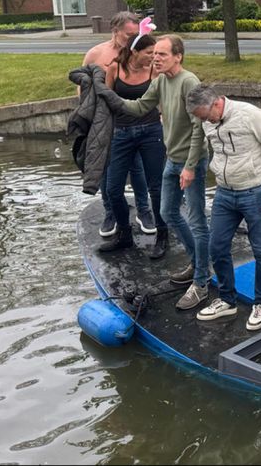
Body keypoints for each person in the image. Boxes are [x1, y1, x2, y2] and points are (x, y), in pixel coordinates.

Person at [93, 35, 212, 312]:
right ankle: (197, 262)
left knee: (197, 221)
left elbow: (199, 128)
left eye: (162, 54)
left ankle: (202, 282)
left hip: (190, 162)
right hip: (172, 159)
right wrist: (109, 94)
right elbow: (140, 107)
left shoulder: (189, 82)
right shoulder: (160, 81)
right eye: (154, 54)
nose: (155, 58)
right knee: (168, 212)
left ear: (178, 57)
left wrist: (191, 167)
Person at [186, 85, 261, 332]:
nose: (203, 121)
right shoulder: (206, 120)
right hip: (224, 193)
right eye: (199, 117)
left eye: (204, 115)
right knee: (216, 246)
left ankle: (260, 303)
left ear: (217, 104)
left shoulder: (251, 115)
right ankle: (227, 299)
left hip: (256, 191)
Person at [96, 31, 169, 258]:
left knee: (156, 187)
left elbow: (163, 99)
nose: (153, 57)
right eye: (149, 53)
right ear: (135, 51)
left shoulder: (154, 71)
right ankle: (124, 234)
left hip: (150, 132)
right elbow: (106, 100)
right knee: (113, 188)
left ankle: (162, 235)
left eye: (156, 53)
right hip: (121, 132)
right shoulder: (115, 69)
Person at [82, 12, 153, 238]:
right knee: (105, 167)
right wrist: (87, 115)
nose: (134, 37)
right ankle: (110, 212)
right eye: (129, 34)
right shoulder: (97, 53)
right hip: (107, 121)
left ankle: (144, 210)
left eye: (137, 33)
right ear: (115, 30)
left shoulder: (139, 52)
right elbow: (85, 86)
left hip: (139, 120)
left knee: (138, 166)